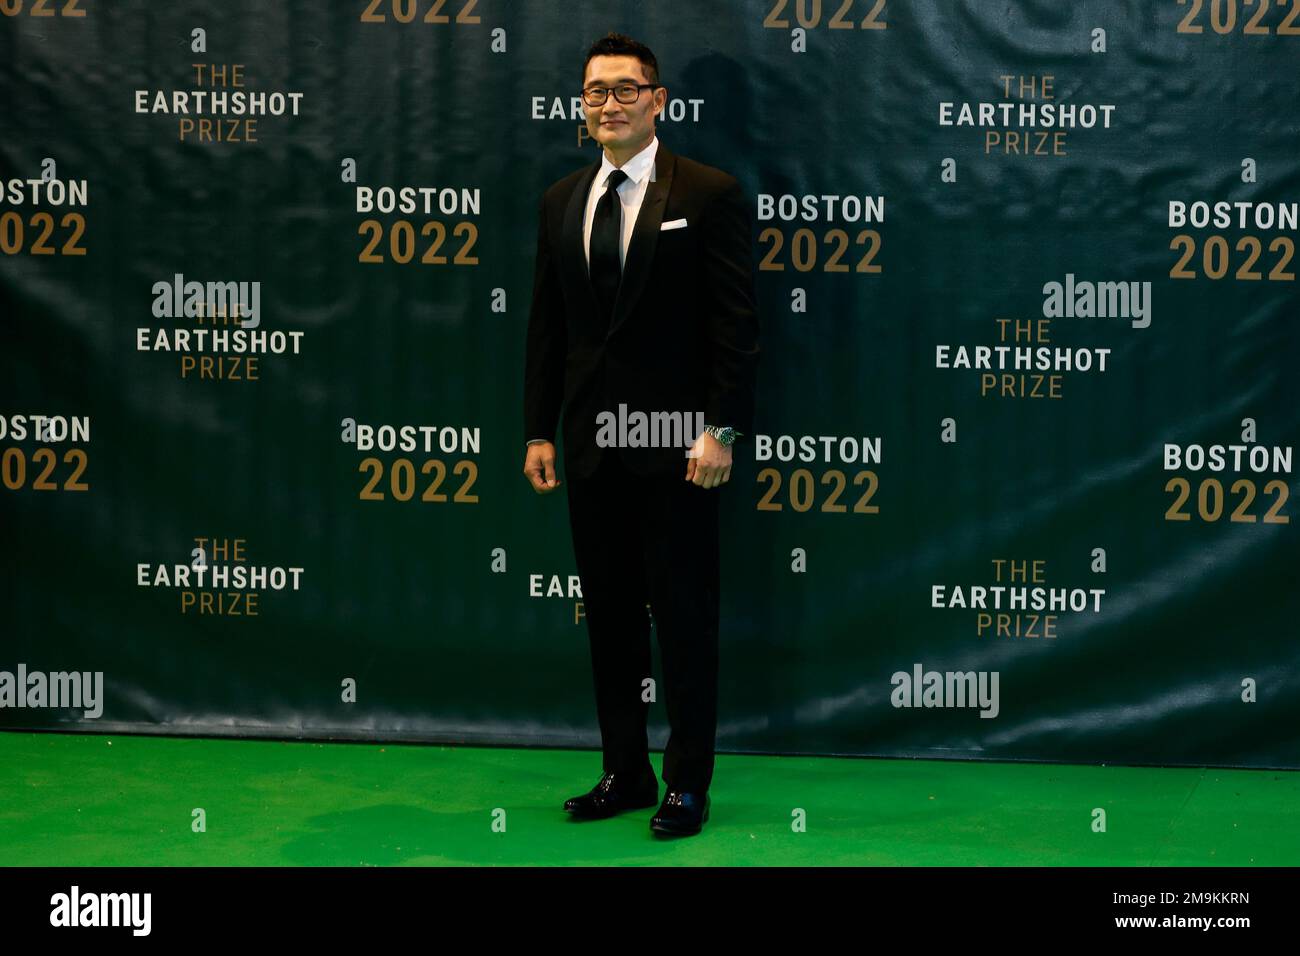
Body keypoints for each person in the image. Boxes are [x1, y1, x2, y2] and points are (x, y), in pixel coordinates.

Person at [522, 31, 758, 836]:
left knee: (685, 621)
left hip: (679, 448)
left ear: (657, 101)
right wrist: (537, 431)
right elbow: (547, 328)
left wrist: (721, 427)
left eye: (626, 90)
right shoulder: (561, 199)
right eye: (596, 91)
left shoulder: (709, 192)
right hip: (589, 448)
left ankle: (688, 784)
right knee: (612, 620)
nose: (610, 103)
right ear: (581, 105)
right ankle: (625, 771)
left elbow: (736, 326)